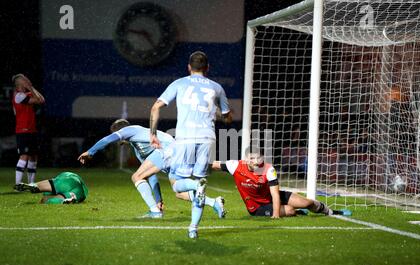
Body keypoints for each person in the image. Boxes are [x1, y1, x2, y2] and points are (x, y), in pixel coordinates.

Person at [149, 51, 232, 238]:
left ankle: (196, 187)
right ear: (207, 68)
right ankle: (193, 229)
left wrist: (153, 134)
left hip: (186, 138)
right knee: (201, 183)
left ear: (188, 67)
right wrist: (215, 112)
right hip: (207, 139)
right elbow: (227, 118)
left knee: (177, 185)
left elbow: (155, 107)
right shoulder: (217, 87)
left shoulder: (179, 83)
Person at [77, 119, 226, 218]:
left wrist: (90, 152)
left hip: (169, 150)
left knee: (136, 177)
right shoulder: (140, 149)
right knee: (179, 192)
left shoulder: (131, 129)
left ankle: (155, 212)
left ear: (120, 132)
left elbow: (107, 139)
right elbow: (152, 176)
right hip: (175, 152)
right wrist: (158, 200)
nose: (117, 140)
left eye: (116, 135)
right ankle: (214, 203)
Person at [212, 146, 352, 218]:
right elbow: (214, 164)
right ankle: (298, 212)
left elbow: (275, 194)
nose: (256, 161)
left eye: (259, 158)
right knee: (290, 210)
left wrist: (276, 214)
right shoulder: (235, 165)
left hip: (272, 197)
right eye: (253, 158)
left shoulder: (268, 169)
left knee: (308, 202)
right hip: (257, 207)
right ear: (246, 159)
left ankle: (332, 211)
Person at [11, 74, 45, 189]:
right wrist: (30, 87)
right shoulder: (18, 96)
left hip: (31, 130)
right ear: (19, 85)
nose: (26, 82)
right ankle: (18, 184)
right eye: (24, 81)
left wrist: (31, 86)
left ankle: (31, 183)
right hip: (22, 130)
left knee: (33, 156)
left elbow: (41, 100)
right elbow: (36, 100)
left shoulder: (26, 93)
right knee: (24, 155)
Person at [14, 172, 88, 204]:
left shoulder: (64, 176)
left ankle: (35, 186)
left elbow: (43, 199)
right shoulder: (72, 177)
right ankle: (70, 198)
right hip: (80, 192)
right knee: (57, 193)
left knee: (46, 198)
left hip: (66, 180)